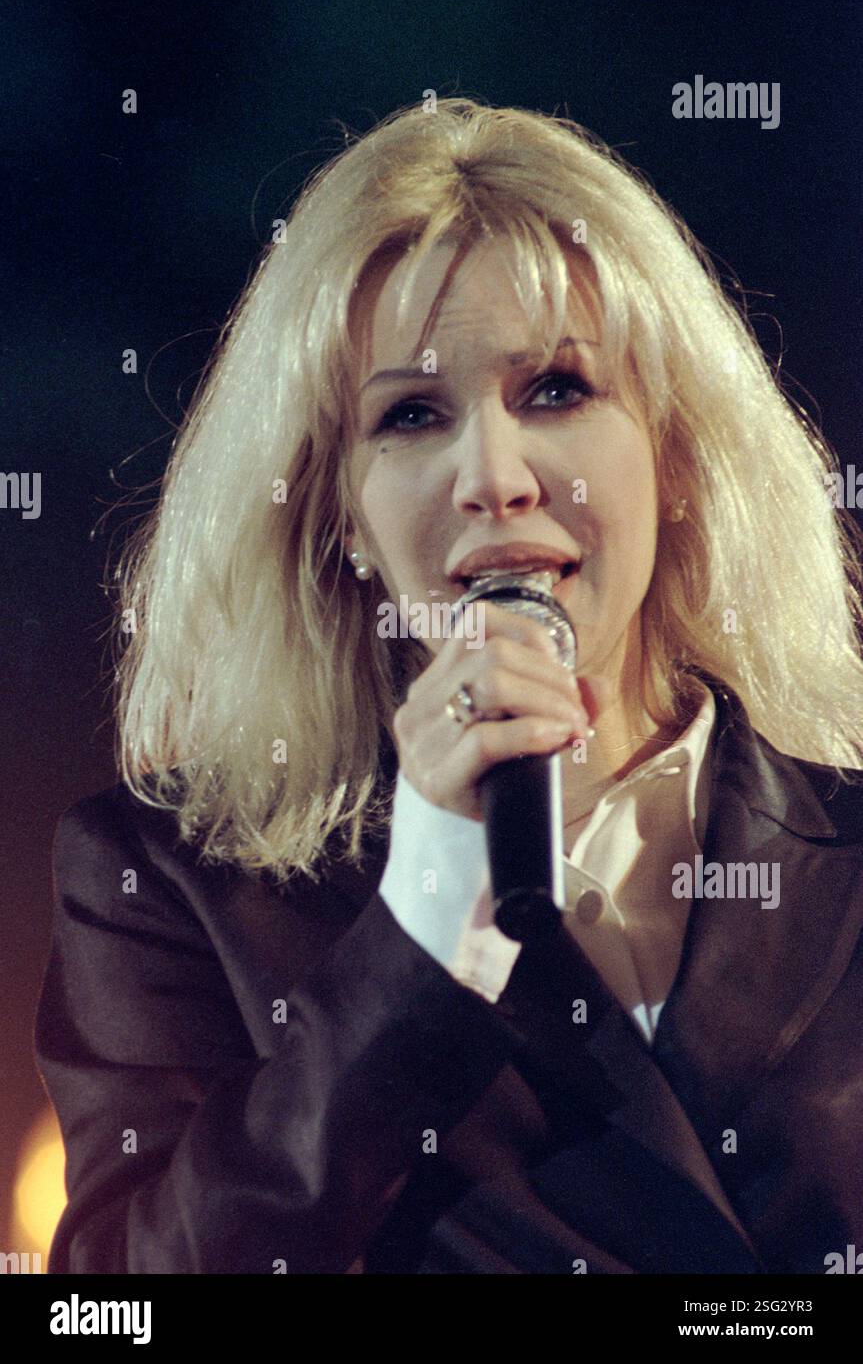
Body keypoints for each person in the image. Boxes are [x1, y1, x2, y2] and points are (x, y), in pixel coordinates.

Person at [35, 97, 863, 1275]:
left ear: (673, 458)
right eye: (411, 414)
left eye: (557, 392)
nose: (493, 476)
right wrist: (425, 915)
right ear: (342, 518)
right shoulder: (165, 886)